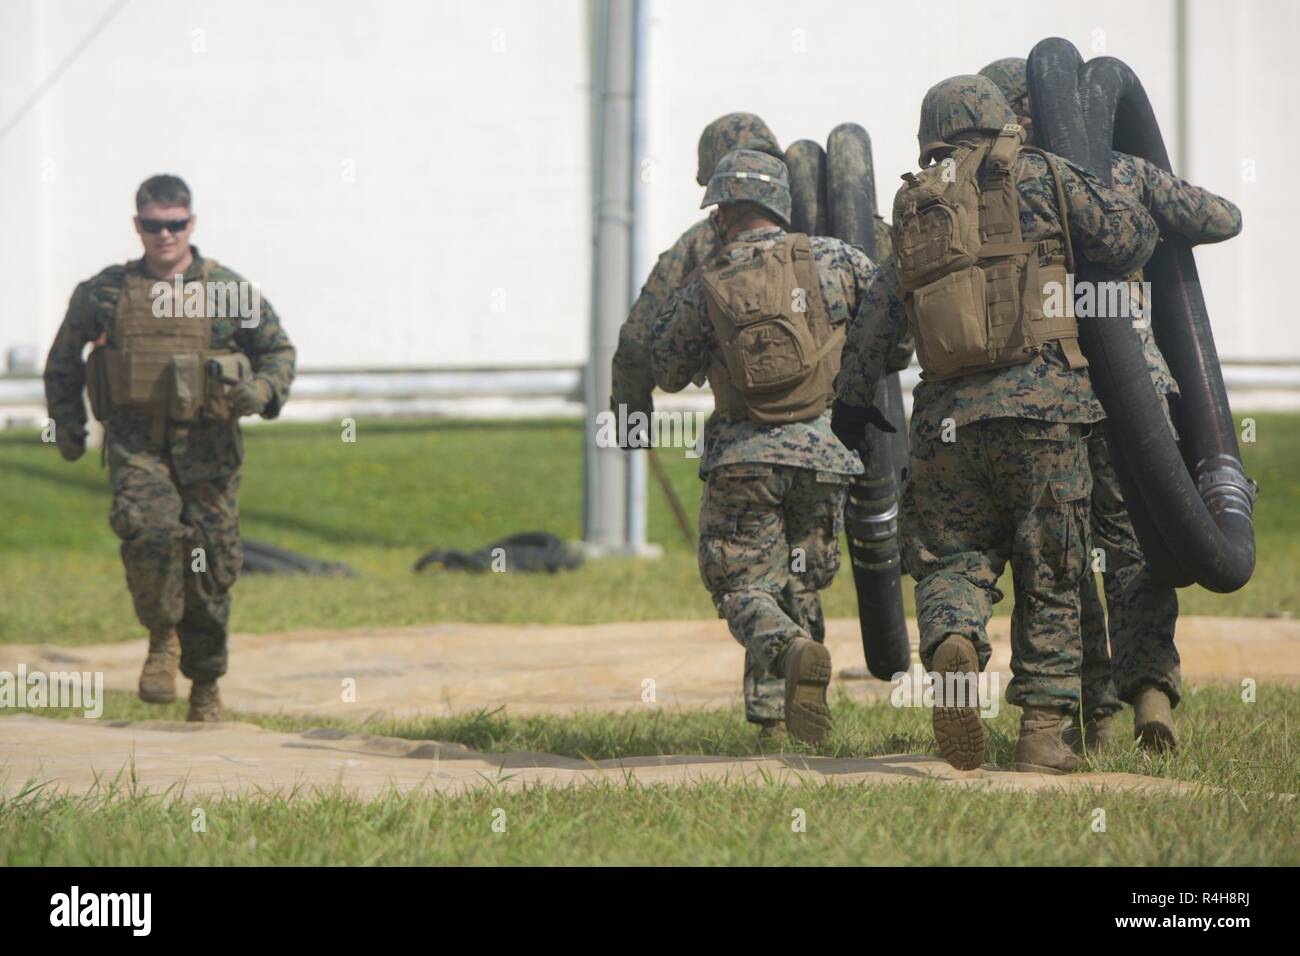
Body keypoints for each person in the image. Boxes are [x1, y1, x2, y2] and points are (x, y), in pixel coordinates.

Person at [834, 76, 1159, 772]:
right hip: (1046, 413)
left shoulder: (914, 203)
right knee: (1053, 572)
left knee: (954, 560)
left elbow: (876, 322)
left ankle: (954, 638)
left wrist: (852, 402)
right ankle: (1043, 732)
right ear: (995, 119)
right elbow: (1129, 237)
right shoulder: (1041, 172)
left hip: (948, 422)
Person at [980, 57, 1244, 752]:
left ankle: (1091, 716)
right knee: (1138, 552)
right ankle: (1150, 692)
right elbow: (1223, 217)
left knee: (1063, 560)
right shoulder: (1117, 171)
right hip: (1138, 395)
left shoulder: (989, 187)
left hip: (1045, 396)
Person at [43, 174, 296, 721]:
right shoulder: (104, 293)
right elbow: (63, 360)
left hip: (210, 453)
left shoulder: (226, 290)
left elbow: (277, 351)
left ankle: (205, 684)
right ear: (138, 226)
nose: (165, 235)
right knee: (150, 530)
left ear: (191, 223)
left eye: (175, 224)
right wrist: (68, 426)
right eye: (154, 225)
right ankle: (162, 640)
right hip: (138, 447)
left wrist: (261, 391)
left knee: (210, 569)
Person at [651, 149, 877, 745]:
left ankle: (787, 655)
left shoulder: (709, 279)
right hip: (822, 456)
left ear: (723, 212)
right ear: (781, 203)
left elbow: (667, 369)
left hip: (741, 459)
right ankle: (789, 731)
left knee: (744, 586)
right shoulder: (837, 259)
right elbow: (890, 331)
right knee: (797, 583)